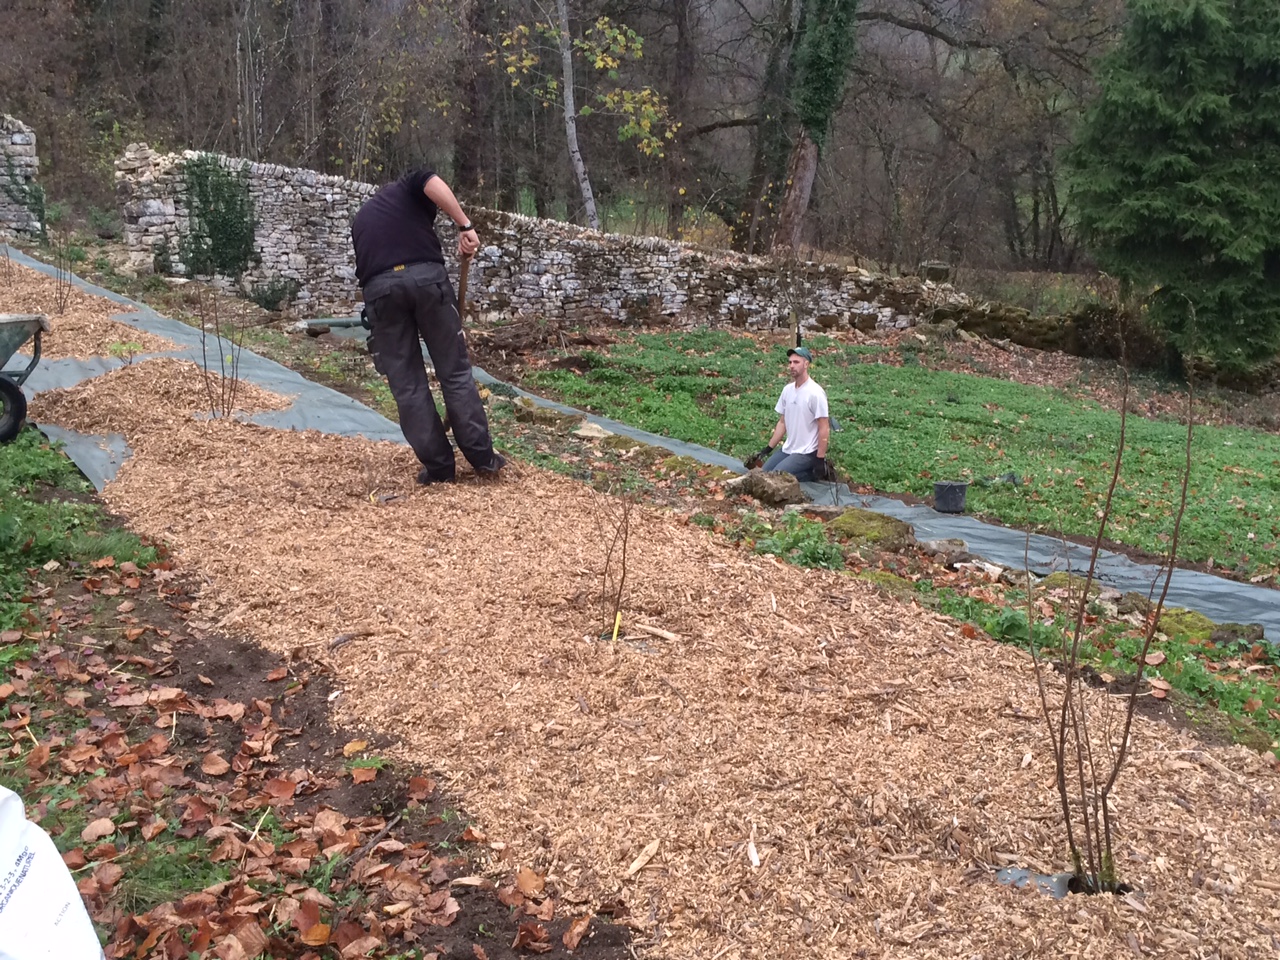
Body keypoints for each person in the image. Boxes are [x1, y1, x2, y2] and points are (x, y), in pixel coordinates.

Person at [351, 169, 505, 484]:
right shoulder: (410, 184)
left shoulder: (363, 218)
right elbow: (432, 183)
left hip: (380, 293)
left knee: (408, 386)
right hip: (426, 280)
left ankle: (439, 468)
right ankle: (482, 458)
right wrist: (465, 225)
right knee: (455, 373)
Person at [745, 346, 834, 481]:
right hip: (788, 449)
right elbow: (782, 422)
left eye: (796, 362)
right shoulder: (787, 390)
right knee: (764, 474)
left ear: (806, 364)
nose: (792, 366)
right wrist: (768, 449)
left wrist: (820, 458)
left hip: (807, 452)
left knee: (776, 478)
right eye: (790, 362)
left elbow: (824, 427)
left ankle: (818, 473)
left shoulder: (815, 393)